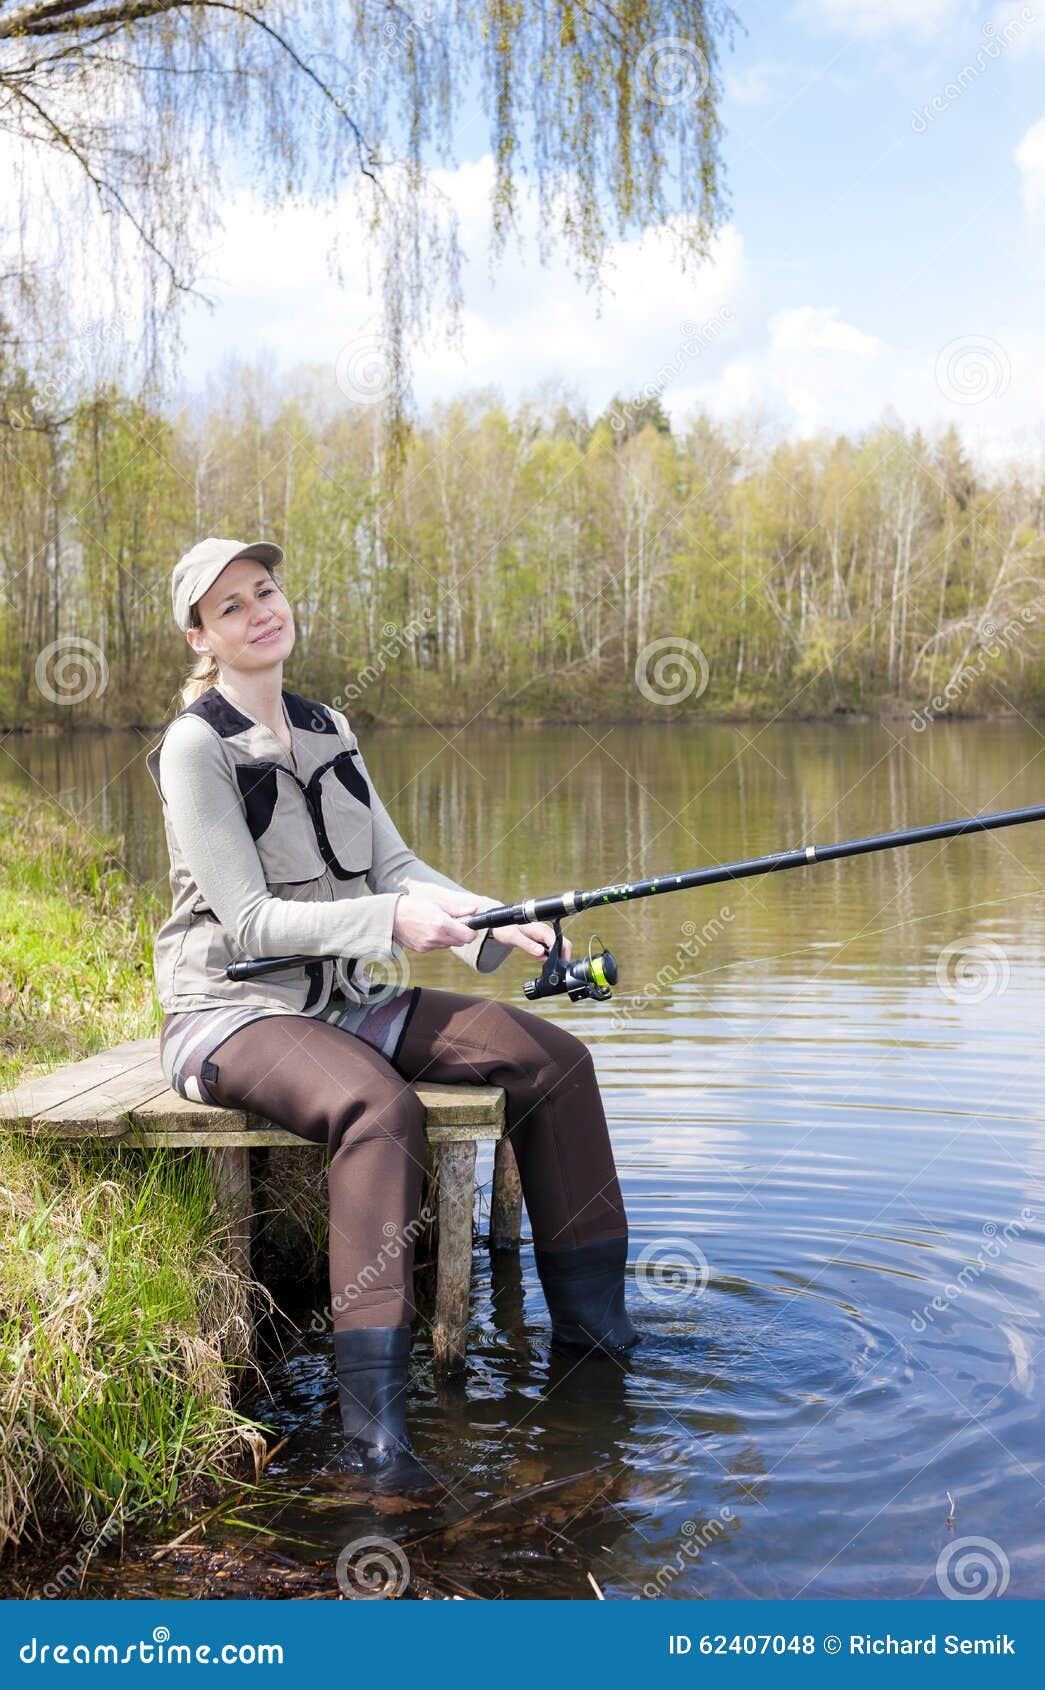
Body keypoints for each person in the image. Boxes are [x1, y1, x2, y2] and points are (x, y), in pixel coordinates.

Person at [146, 536, 640, 1499]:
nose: (261, 611)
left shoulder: (328, 725)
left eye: (267, 590)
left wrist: (498, 919)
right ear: (202, 636)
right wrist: (393, 921)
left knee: (554, 1061)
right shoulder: (193, 747)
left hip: (348, 1001)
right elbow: (250, 920)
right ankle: (373, 1445)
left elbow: (397, 871)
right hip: (232, 1010)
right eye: (232, 606)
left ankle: (596, 1354)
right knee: (380, 1111)